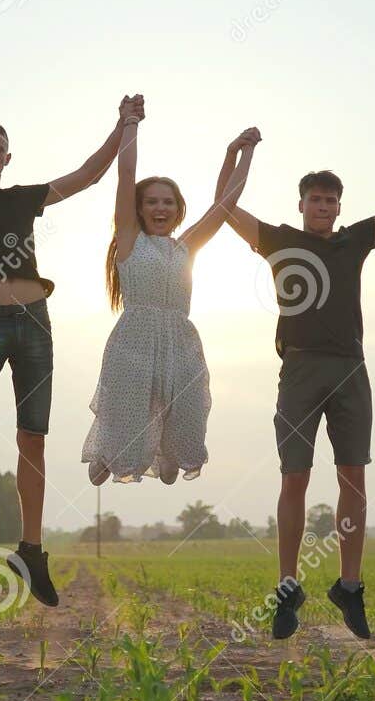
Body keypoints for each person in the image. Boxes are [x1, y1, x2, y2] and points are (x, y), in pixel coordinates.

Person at [0, 68, 141, 610]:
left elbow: (89, 176)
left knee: (33, 438)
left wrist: (124, 124)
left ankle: (32, 550)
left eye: (0, 147)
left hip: (35, 322)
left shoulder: (24, 197)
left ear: (9, 157)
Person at [224, 123, 375, 639]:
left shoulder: (354, 240)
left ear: (339, 208)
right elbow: (224, 208)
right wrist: (237, 154)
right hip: (299, 367)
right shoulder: (278, 240)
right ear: (301, 205)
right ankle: (288, 587)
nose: (324, 207)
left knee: (353, 477)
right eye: (316, 199)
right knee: (295, 477)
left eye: (331, 201)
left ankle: (350, 587)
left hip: (350, 368)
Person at [82, 117, 261, 486]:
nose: (160, 208)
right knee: (121, 436)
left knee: (187, 418)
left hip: (180, 342)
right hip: (134, 341)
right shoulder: (130, 240)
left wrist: (240, 153)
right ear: (139, 209)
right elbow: (126, 175)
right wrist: (130, 123)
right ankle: (108, 451)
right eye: (152, 202)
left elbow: (227, 203)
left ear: (178, 209)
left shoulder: (187, 245)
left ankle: (170, 452)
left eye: (168, 202)